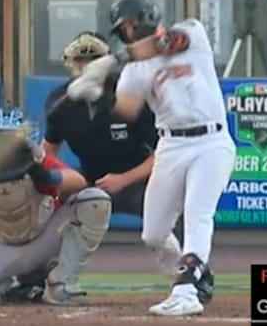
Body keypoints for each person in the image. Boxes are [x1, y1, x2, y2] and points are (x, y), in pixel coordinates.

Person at [68, 0, 231, 317]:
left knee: (198, 216)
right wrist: (97, 94)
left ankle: (186, 291)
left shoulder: (192, 33)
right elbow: (127, 110)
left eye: (128, 25)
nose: (125, 32)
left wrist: (111, 61)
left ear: (143, 18)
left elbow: (166, 43)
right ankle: (194, 273)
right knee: (153, 232)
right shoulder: (134, 71)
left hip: (211, 141)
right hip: (171, 146)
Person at [0, 107, 111, 306]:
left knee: (95, 201)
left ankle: (61, 282)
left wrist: (48, 176)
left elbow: (78, 181)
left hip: (45, 238)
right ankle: (5, 284)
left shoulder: (35, 159)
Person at [44, 32, 180, 280]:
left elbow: (164, 151)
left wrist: (123, 179)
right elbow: (47, 152)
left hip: (136, 177)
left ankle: (187, 275)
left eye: (94, 60)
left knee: (172, 203)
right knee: (44, 204)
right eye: (80, 60)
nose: (87, 67)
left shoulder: (128, 93)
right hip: (89, 180)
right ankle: (47, 277)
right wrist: (68, 177)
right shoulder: (60, 101)